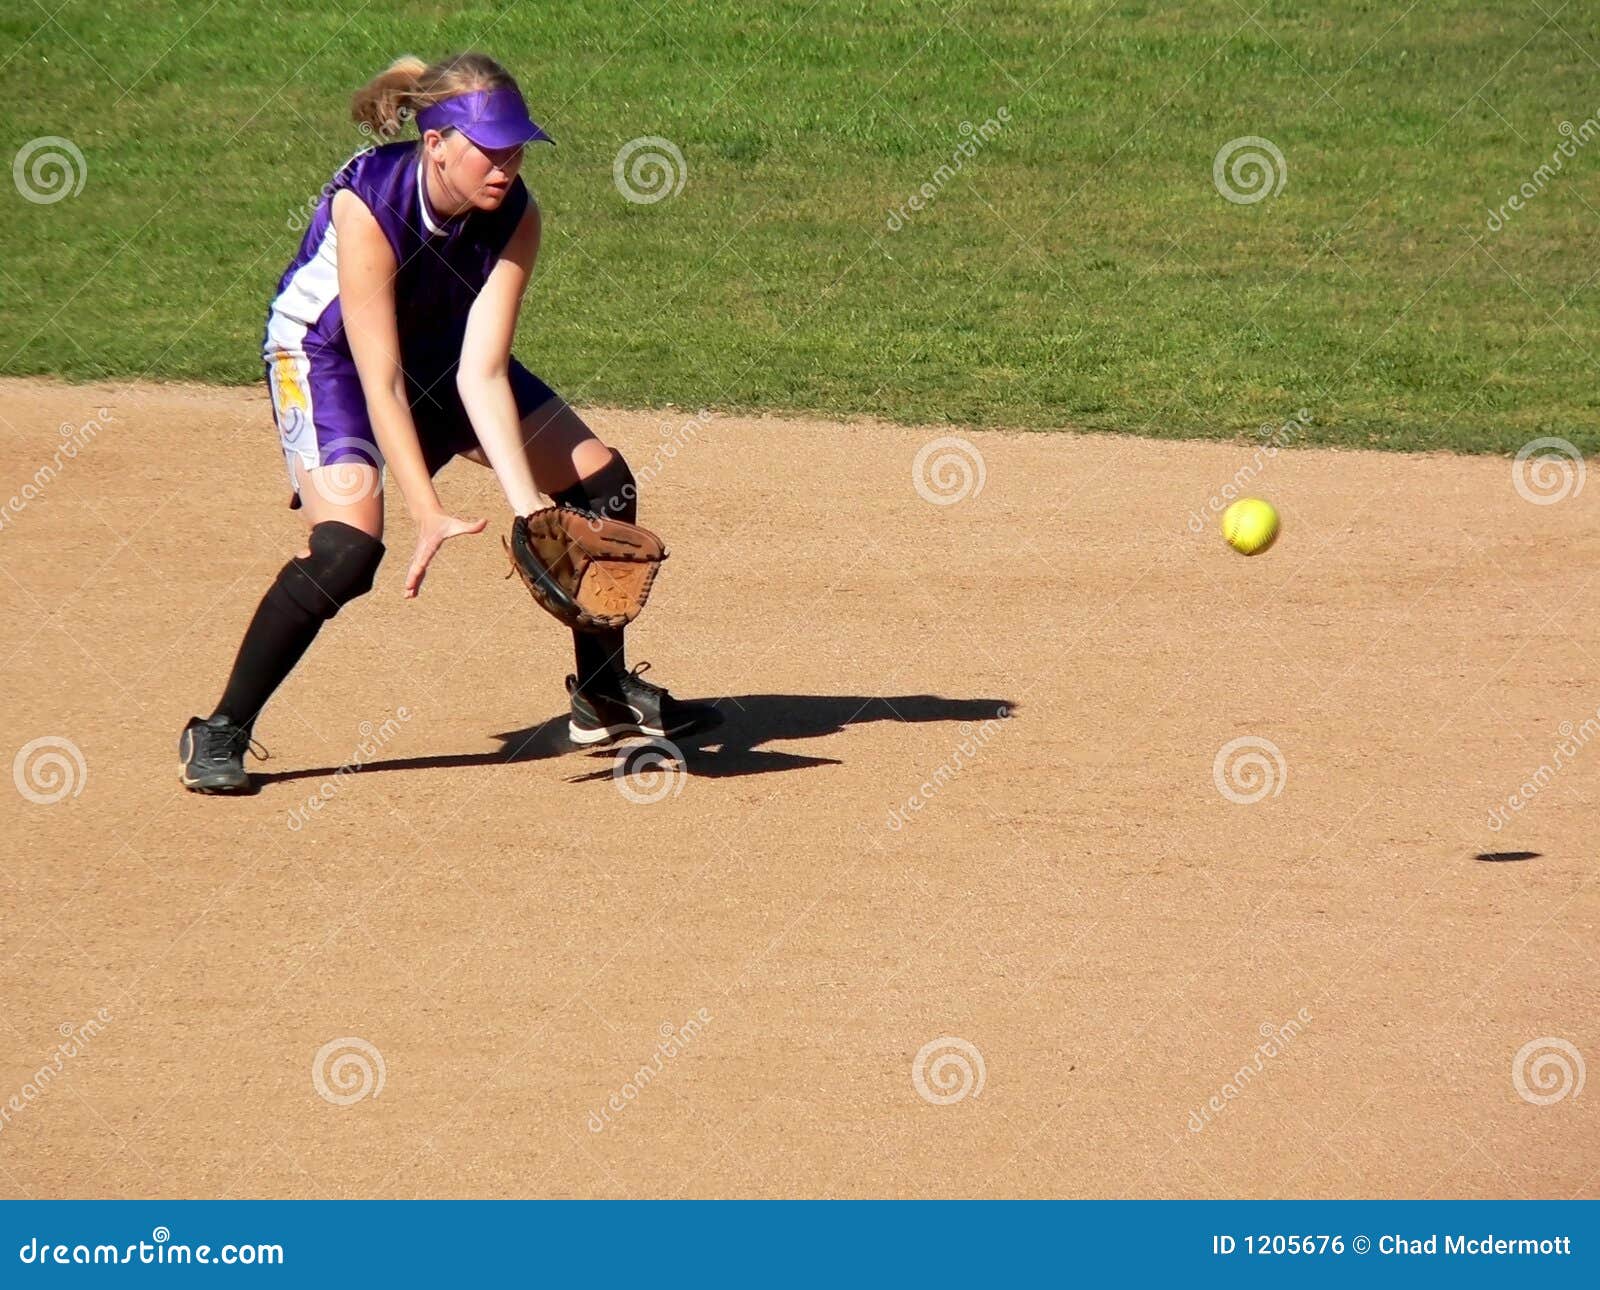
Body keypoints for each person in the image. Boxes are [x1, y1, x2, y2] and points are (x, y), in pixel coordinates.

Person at [179, 52, 705, 793]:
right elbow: (381, 379)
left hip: (443, 357)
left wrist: (530, 514)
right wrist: (426, 509)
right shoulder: (370, 202)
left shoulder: (518, 215)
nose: (507, 165)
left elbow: (481, 371)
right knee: (348, 554)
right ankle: (221, 728)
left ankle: (601, 693)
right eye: (490, 151)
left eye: (517, 148)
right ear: (437, 146)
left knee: (602, 483)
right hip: (327, 360)